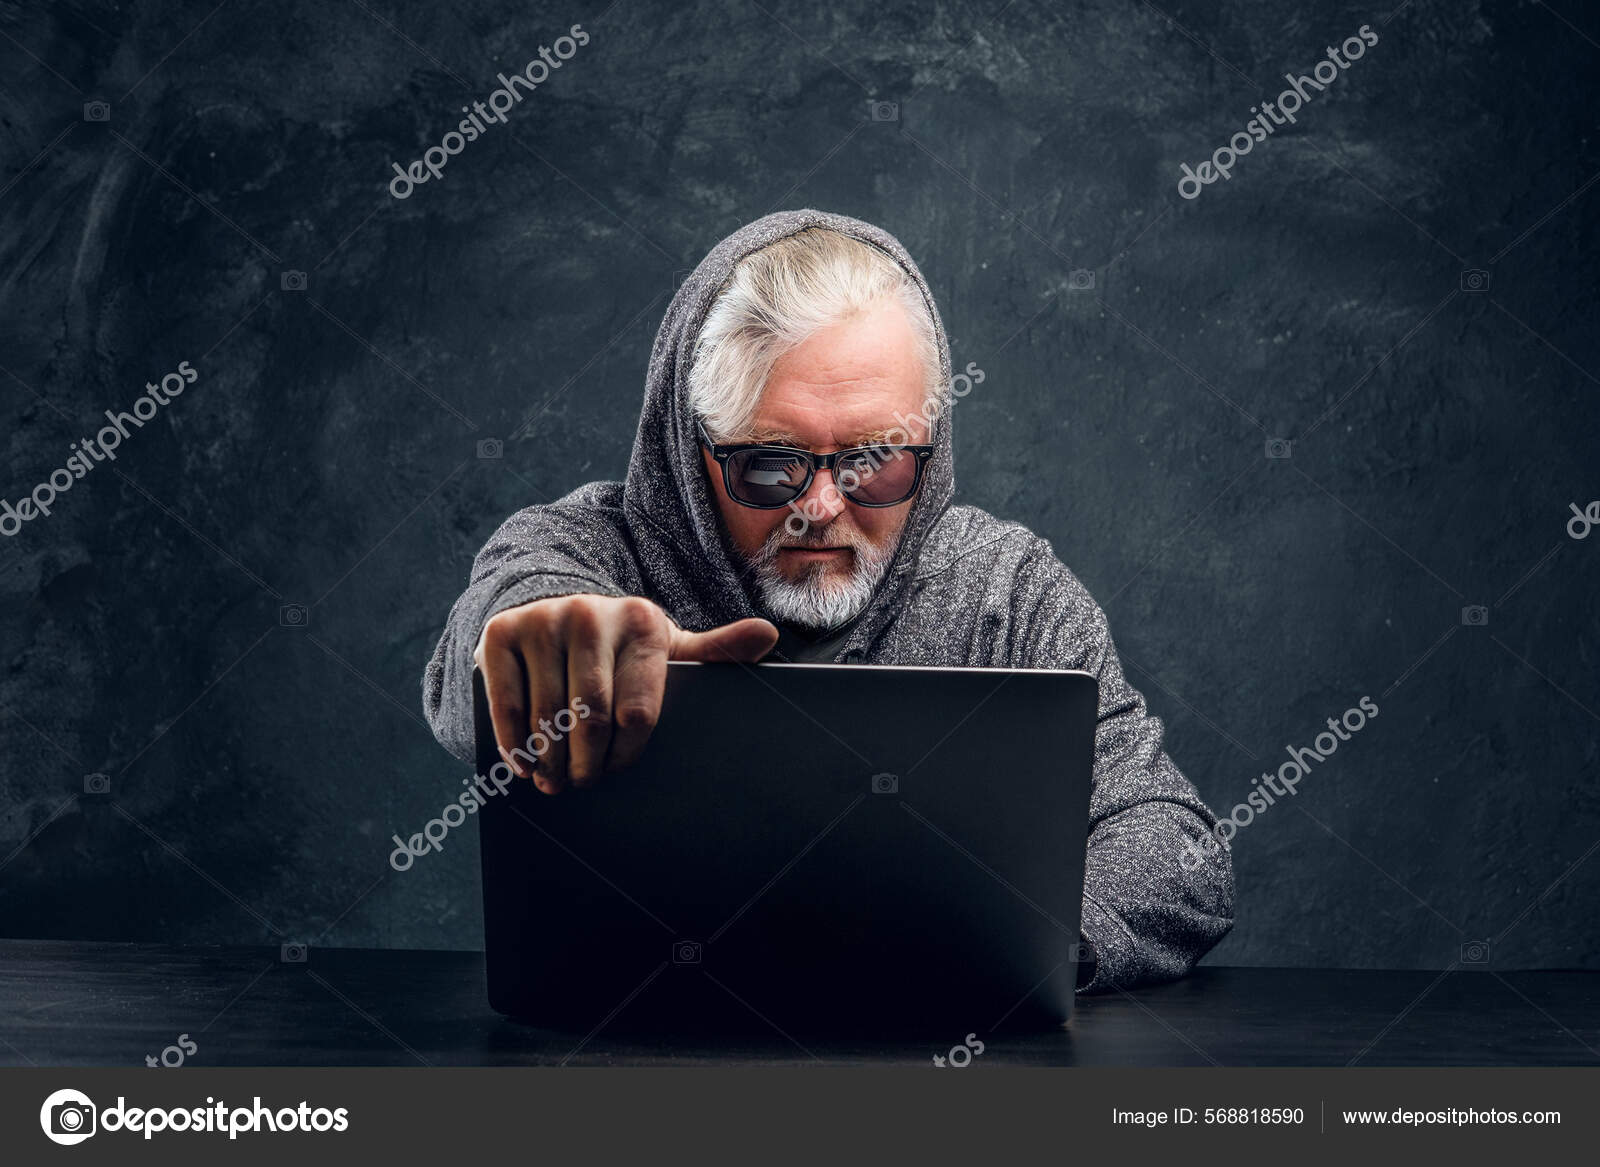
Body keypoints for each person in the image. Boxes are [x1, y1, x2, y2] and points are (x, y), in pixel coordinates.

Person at [424, 209, 1233, 991]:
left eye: (873, 462)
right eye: (770, 465)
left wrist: (1028, 947)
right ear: (690, 449)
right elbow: (500, 620)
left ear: (930, 447)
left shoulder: (1009, 589)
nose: (819, 506)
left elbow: (1180, 848)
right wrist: (550, 633)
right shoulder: (586, 549)